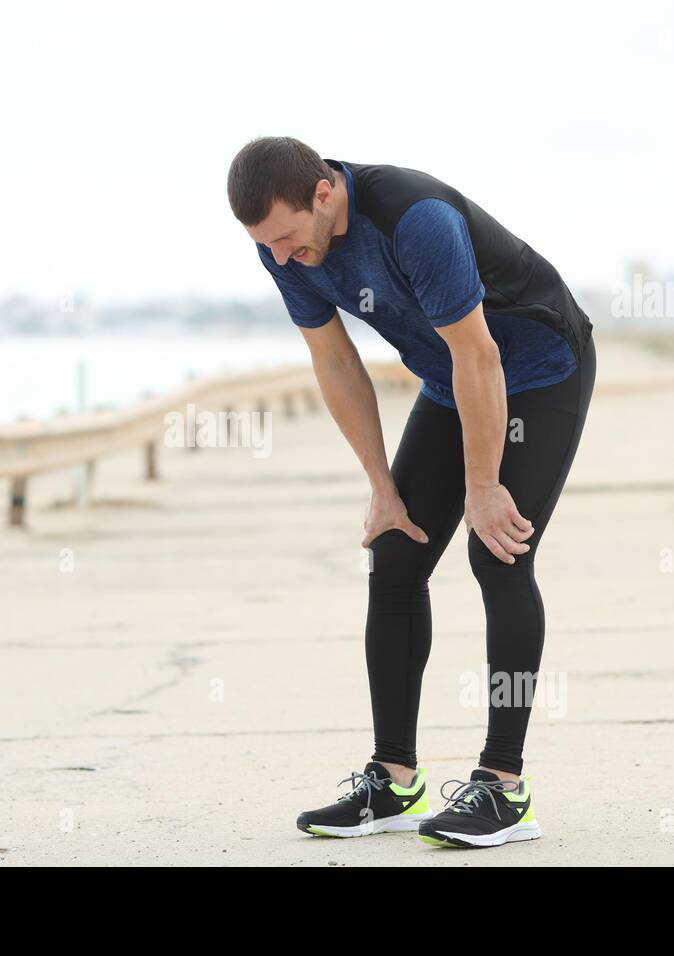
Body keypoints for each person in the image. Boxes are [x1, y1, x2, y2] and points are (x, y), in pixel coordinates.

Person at [227, 137, 596, 848]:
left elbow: (480, 354)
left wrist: (482, 486)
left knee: (499, 553)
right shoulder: (287, 246)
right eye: (263, 244)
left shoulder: (412, 217)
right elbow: (334, 360)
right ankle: (393, 781)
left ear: (325, 195)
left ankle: (503, 788)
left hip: (539, 366)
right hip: (450, 376)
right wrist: (379, 486)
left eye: (286, 237)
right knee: (394, 554)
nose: (279, 257)